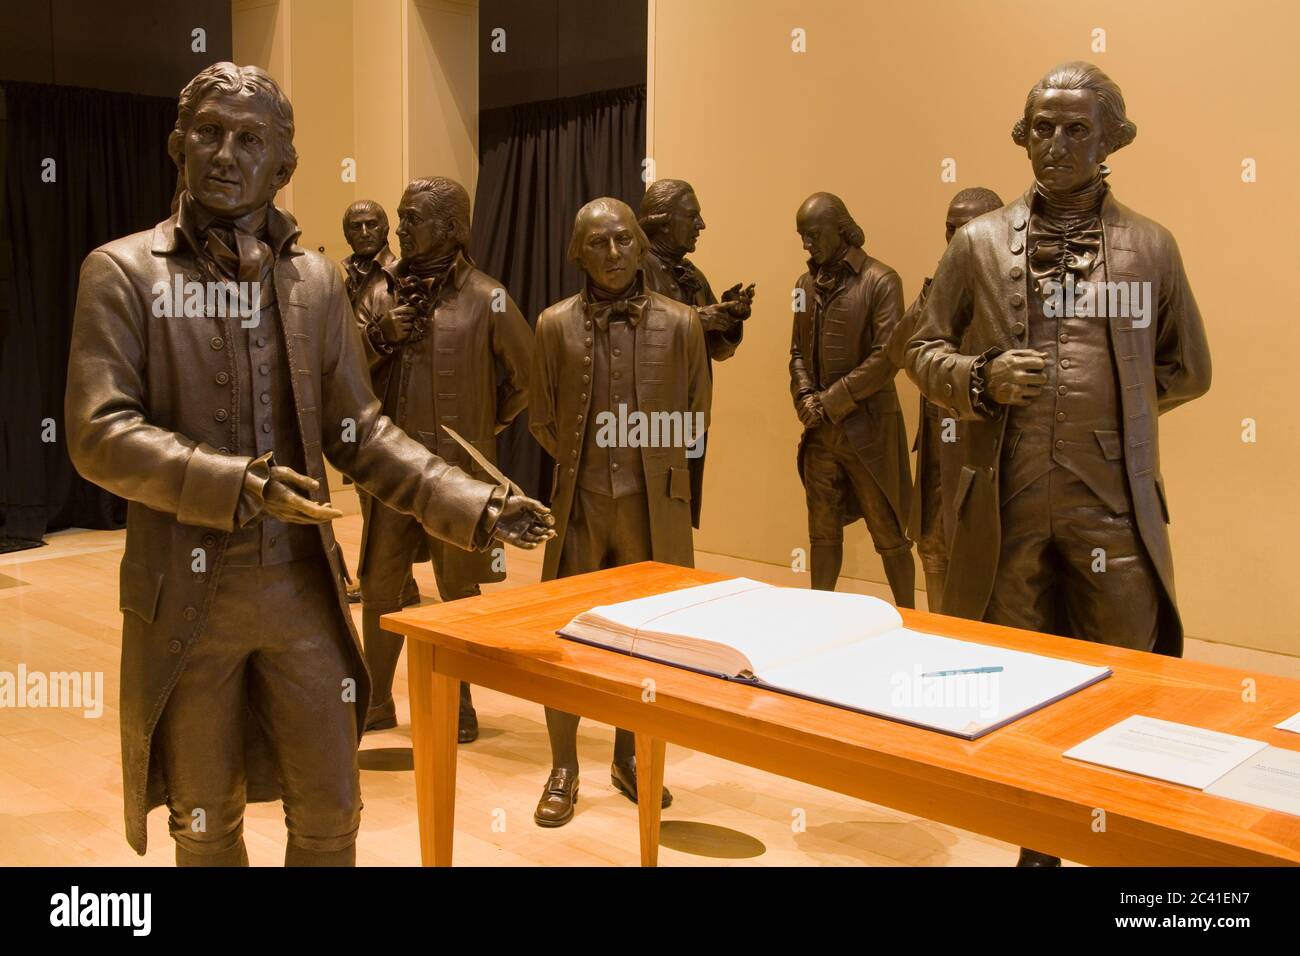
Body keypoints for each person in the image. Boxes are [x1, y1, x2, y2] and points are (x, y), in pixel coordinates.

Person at [64, 63, 553, 866]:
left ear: (283, 166)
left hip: (302, 595)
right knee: (205, 823)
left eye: (250, 140)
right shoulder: (122, 273)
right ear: (177, 146)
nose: (227, 154)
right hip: (186, 597)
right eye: (209, 133)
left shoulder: (315, 283)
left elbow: (361, 432)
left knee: (331, 815)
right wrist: (235, 482)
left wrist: (473, 503)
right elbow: (96, 431)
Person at [905, 62, 1212, 866]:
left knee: (1122, 677)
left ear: (1113, 139)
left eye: (1078, 128)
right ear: (1022, 135)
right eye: (1043, 127)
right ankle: (1037, 843)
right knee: (1020, 677)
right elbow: (919, 347)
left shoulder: (1151, 246)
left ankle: (1119, 837)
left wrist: (1120, 416)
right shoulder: (977, 244)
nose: (1058, 143)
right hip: (1006, 504)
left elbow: (1188, 368)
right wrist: (978, 377)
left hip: (1112, 505)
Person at [529, 197, 710, 827]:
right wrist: (588, 463)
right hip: (579, 507)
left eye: (624, 240)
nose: (613, 253)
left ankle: (630, 756)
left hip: (651, 512)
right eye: (598, 243)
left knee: (647, 643)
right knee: (565, 641)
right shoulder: (552, 325)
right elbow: (542, 418)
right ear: (577, 253)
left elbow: (695, 417)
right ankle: (563, 766)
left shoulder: (682, 324)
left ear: (641, 244)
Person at [354, 176, 533, 741]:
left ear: (452, 228)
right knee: (380, 585)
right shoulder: (379, 294)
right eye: (402, 216)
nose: (400, 228)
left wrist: (485, 425)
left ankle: (458, 705)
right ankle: (374, 701)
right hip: (391, 470)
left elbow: (526, 378)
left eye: (413, 218)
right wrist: (378, 336)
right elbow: (341, 371)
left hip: (457, 477)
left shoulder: (487, 296)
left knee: (458, 589)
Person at [790, 192, 914, 606]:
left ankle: (910, 618)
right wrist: (804, 395)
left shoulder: (882, 280)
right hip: (820, 433)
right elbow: (796, 352)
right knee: (822, 532)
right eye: (802, 236)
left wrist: (829, 401)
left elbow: (888, 357)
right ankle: (820, 615)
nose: (807, 244)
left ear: (840, 229)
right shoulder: (803, 285)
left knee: (889, 532)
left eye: (813, 234)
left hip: (869, 430)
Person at [887, 187, 1004, 611]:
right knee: (933, 550)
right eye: (950, 230)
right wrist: (931, 293)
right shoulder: (939, 292)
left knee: (976, 573)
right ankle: (937, 642)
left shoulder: (1008, 297)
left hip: (979, 461)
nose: (956, 240)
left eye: (966, 229)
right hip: (937, 453)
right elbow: (896, 352)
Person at [639, 179, 754, 526]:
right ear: (663, 221)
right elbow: (629, 333)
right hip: (647, 414)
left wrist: (729, 319)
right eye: (692, 216)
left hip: (692, 411)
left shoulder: (693, 275)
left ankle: (677, 558)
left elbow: (717, 351)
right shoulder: (635, 271)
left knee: (681, 505)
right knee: (647, 508)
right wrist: (697, 319)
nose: (701, 225)